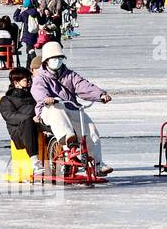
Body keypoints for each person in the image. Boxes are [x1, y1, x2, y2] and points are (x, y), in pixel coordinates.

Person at [31, 41, 114, 176]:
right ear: (46, 60)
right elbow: (38, 90)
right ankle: (69, 140)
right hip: (48, 109)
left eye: (60, 58)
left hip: (70, 107)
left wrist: (100, 95)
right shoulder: (40, 77)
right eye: (54, 59)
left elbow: (83, 86)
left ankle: (98, 164)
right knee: (56, 109)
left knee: (91, 131)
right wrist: (46, 98)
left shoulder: (69, 75)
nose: (57, 61)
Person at [0, 66, 43, 177]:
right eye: (26, 80)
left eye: (30, 79)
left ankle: (67, 158)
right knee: (28, 121)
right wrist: (30, 117)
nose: (29, 82)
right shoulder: (7, 99)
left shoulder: (34, 94)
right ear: (16, 83)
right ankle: (35, 162)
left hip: (37, 125)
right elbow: (10, 116)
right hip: (19, 132)